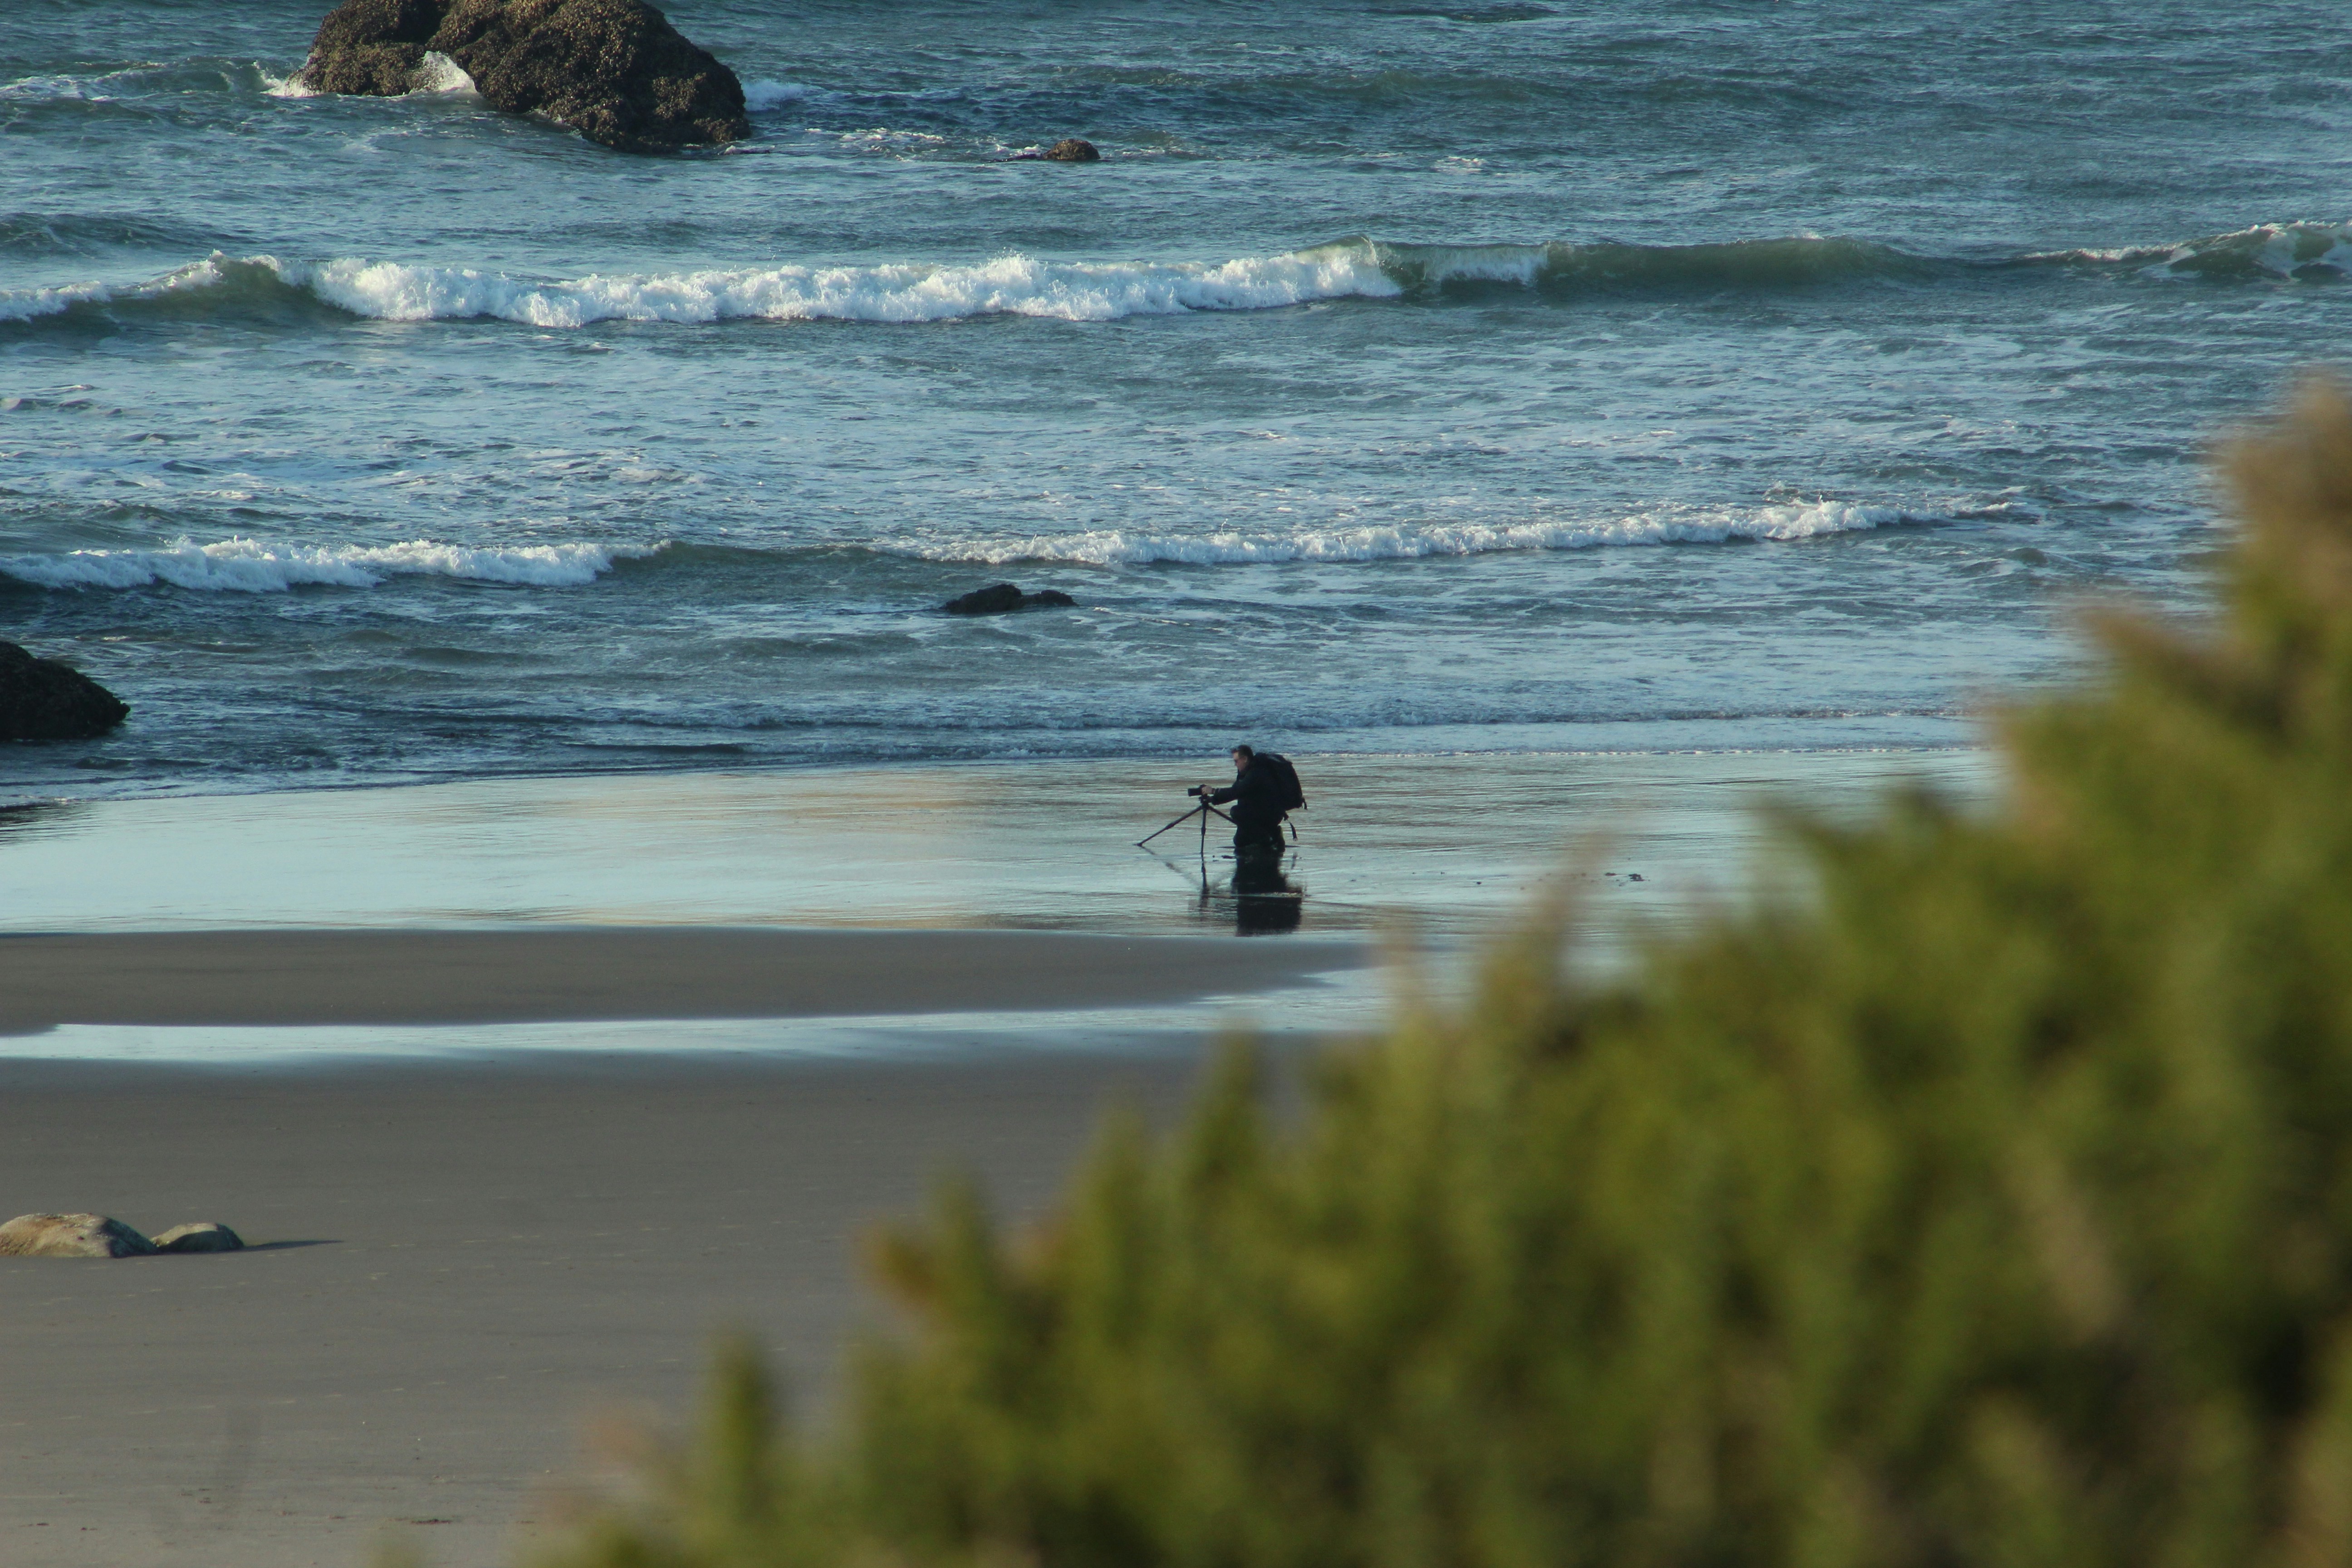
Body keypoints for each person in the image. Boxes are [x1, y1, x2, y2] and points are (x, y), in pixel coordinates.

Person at [1200, 745, 1286, 861]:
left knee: (1237, 812)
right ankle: (1269, 835)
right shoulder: (1246, 772)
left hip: (1271, 814)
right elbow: (1236, 791)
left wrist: (1215, 791)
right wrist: (1212, 799)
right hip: (1259, 811)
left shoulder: (1257, 772)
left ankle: (1271, 837)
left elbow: (1238, 791)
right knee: (1240, 842)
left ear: (1245, 759)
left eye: (1236, 761)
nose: (1235, 764)